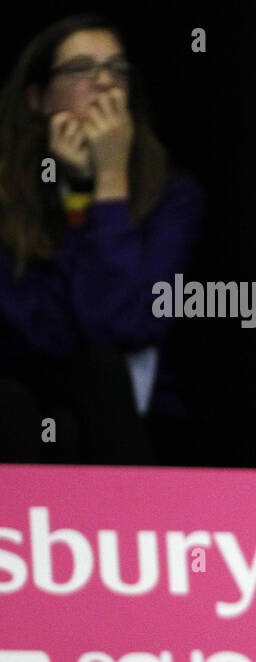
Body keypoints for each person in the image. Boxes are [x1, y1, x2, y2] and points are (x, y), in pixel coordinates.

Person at [0, 14, 203, 463]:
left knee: (101, 371)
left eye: (117, 70)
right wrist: (74, 200)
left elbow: (124, 326)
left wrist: (108, 181)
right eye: (81, 70)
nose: (105, 84)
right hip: (28, 406)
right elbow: (36, 339)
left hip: (131, 418)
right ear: (37, 98)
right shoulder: (9, 200)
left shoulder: (172, 198)